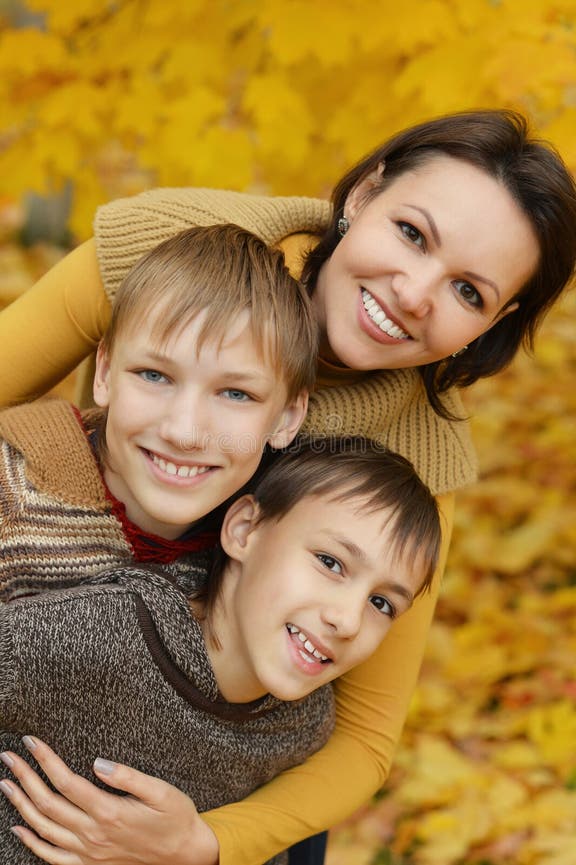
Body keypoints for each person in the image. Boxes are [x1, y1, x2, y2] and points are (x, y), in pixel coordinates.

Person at [0, 109, 575, 865]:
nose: (414, 292)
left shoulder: (417, 460)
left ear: (493, 323)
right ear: (365, 194)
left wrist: (205, 843)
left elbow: (365, 736)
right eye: (412, 233)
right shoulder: (163, 248)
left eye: (468, 291)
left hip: (231, 757)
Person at [0, 437, 442, 865]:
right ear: (245, 530)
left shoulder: (303, 726)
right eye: (330, 562)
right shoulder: (99, 633)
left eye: (381, 603)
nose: (347, 621)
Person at [0, 222, 316, 602]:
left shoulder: (256, 566)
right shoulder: (11, 492)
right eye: (154, 375)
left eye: (235, 394)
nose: (183, 432)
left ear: (287, 418)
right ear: (104, 373)